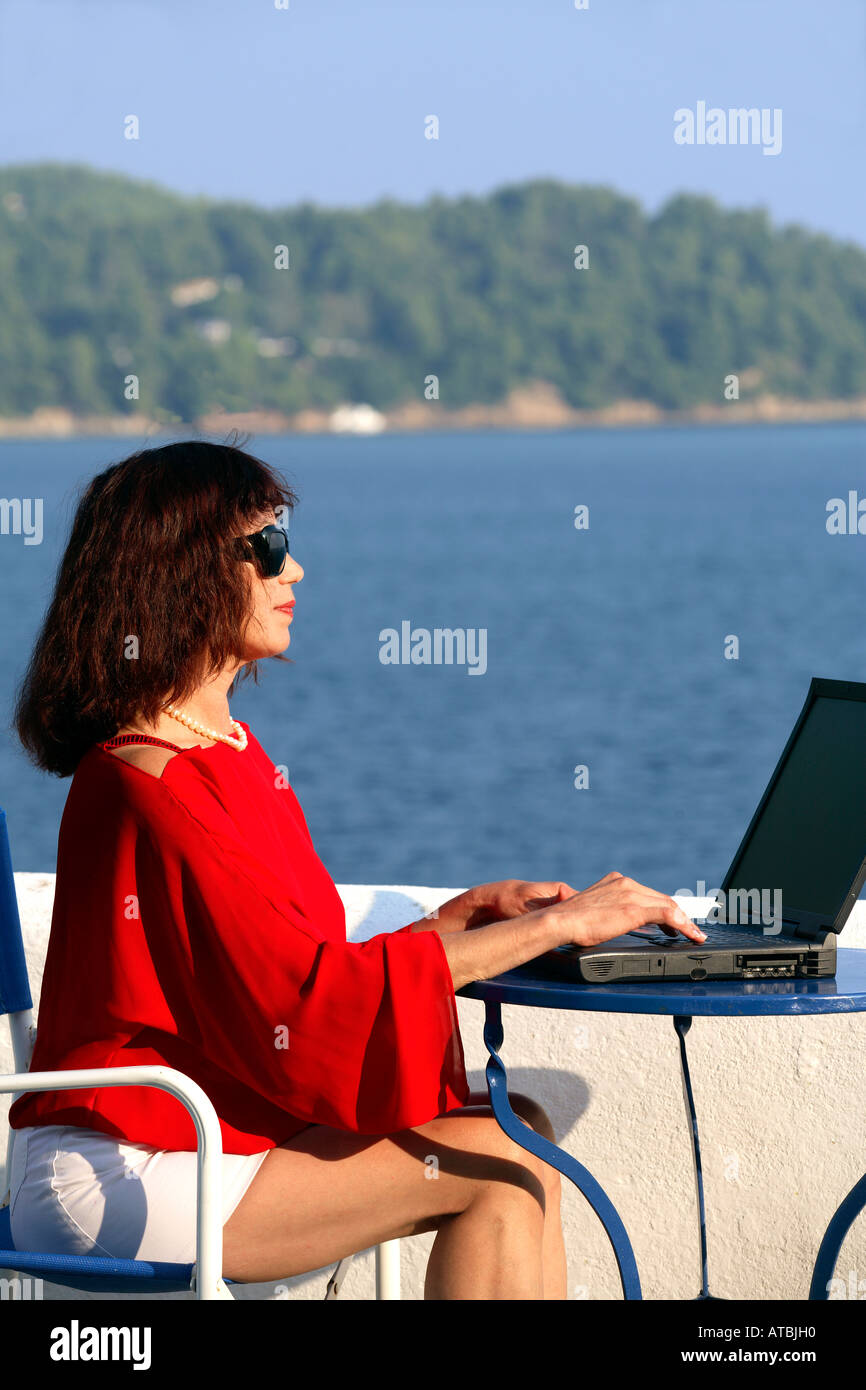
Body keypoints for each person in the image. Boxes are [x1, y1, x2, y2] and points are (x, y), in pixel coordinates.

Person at [7, 438, 706, 1300]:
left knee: (513, 1136)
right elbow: (299, 1001)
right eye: (264, 548)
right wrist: (553, 927)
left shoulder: (221, 754)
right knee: (501, 1162)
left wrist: (455, 922)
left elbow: (287, 969)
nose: (293, 568)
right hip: (127, 1166)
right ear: (180, 573)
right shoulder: (150, 783)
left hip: (201, 1140)